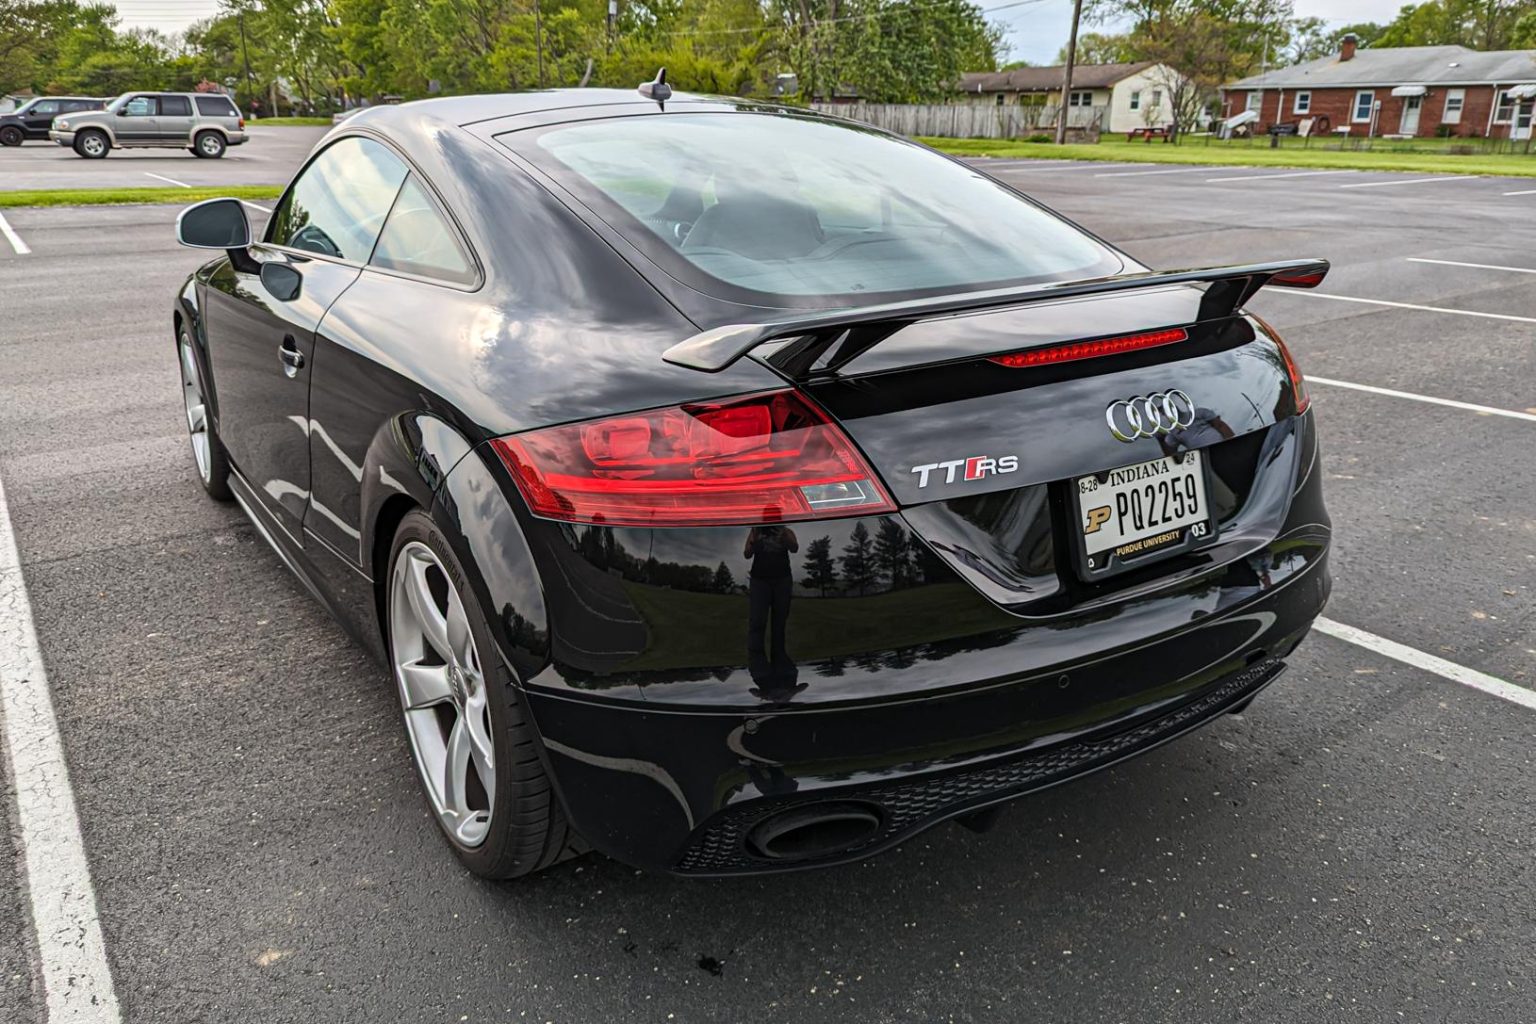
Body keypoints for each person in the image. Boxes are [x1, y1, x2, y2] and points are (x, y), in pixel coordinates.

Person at [743, 509, 798, 667]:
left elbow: (794, 548)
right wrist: (754, 544)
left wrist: (785, 538)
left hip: (782, 579)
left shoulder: (786, 531)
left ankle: (779, 658)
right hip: (760, 581)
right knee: (757, 621)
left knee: (779, 621)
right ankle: (756, 661)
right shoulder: (756, 531)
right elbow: (747, 554)